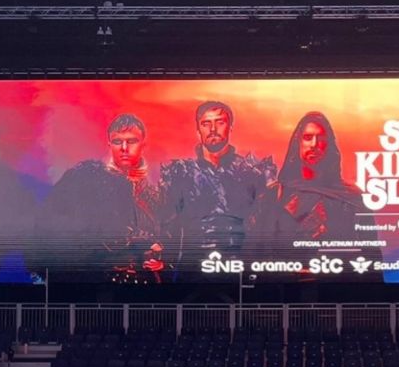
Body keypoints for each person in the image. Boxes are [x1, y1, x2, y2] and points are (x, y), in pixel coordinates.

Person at [35, 112, 164, 282]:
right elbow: (54, 226)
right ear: (109, 144)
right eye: (117, 141)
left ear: (143, 144)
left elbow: (170, 235)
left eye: (131, 141)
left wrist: (162, 257)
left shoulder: (156, 189)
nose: (124, 148)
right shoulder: (87, 179)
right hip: (98, 280)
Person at [158, 101, 275, 274]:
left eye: (219, 122)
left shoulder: (253, 173)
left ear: (230, 127)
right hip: (192, 271)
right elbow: (168, 226)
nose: (213, 129)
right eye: (206, 123)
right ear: (198, 131)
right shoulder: (180, 174)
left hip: (240, 270)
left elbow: (265, 227)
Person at [248, 111, 378, 259]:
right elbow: (254, 253)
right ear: (298, 143)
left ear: (329, 146)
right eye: (308, 137)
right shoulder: (273, 196)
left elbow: (372, 256)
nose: (314, 144)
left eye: (321, 138)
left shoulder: (352, 197)